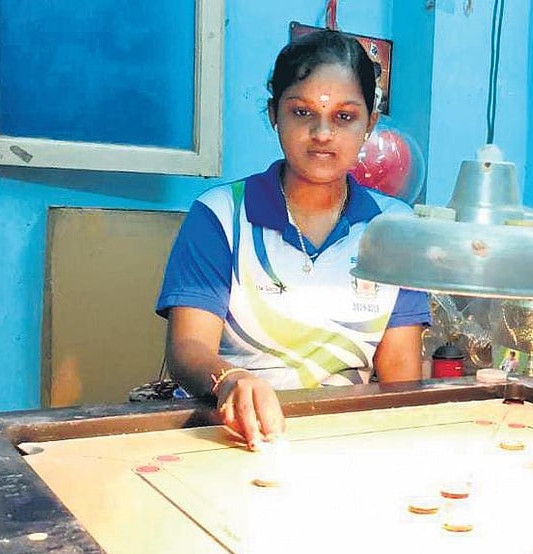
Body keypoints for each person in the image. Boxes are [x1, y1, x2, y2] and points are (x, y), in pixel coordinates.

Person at [156, 31, 429, 448]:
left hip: (346, 440)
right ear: (274, 114)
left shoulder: (396, 229)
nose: (322, 133)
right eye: (302, 112)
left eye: (344, 117)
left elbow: (400, 376)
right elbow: (188, 348)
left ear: (370, 123)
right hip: (230, 435)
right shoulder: (220, 215)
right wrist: (230, 380)